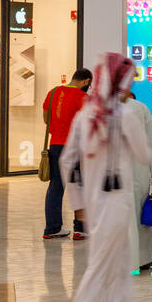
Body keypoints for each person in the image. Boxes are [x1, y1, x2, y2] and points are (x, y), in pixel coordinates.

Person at [61, 55, 152, 302]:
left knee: (117, 263)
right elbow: (144, 155)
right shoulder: (125, 115)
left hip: (94, 203)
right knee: (102, 266)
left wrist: (79, 206)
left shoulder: (84, 115)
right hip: (117, 203)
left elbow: (67, 161)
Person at [43, 68, 93, 240]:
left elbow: (46, 118)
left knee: (55, 187)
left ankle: (52, 228)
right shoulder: (83, 98)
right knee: (80, 185)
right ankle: (80, 229)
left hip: (55, 145)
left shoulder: (53, 92)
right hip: (75, 147)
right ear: (86, 81)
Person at [123, 85, 152, 273]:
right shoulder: (139, 108)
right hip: (138, 168)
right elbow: (151, 143)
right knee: (140, 214)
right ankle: (144, 258)